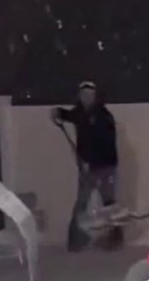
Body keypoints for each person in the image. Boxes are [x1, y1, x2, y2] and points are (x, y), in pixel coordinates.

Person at [52, 81, 123, 251]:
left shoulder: (103, 116)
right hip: (88, 167)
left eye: (89, 95)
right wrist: (58, 112)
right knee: (82, 203)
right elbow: (70, 115)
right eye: (83, 95)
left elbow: (106, 144)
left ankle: (114, 239)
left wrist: (90, 162)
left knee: (108, 205)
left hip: (105, 166)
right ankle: (76, 240)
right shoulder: (80, 113)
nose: (86, 98)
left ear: (95, 96)